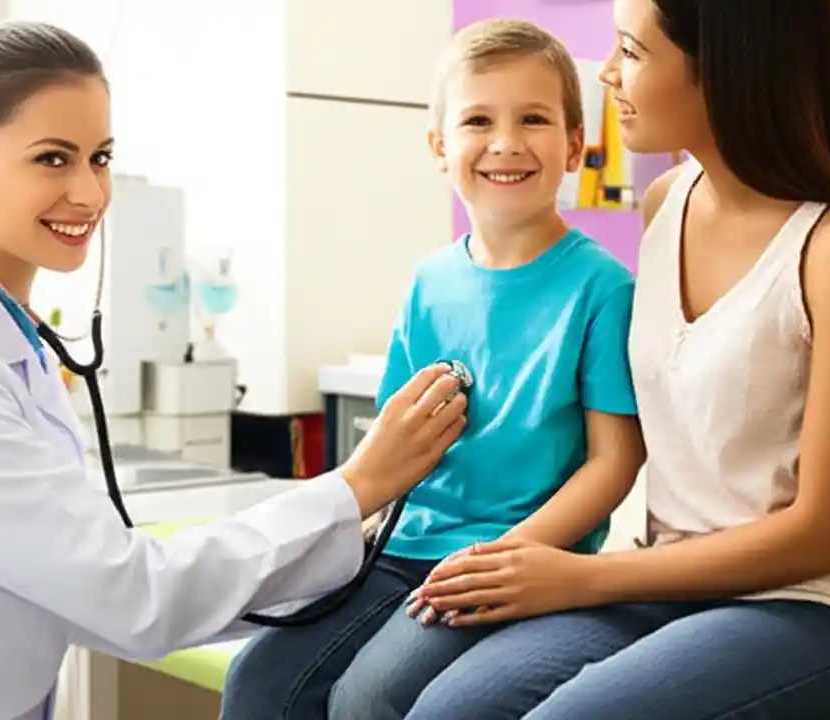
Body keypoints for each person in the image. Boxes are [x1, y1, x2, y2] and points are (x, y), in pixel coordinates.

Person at [0, 21, 467, 720]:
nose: (90, 194)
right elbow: (130, 599)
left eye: (99, 158)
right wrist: (357, 486)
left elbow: (86, 586)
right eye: (51, 159)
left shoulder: (1, 343)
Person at [400, 1, 830, 718]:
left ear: (723, 69)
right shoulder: (666, 202)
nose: (610, 73)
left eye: (632, 50)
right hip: (667, 584)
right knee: (445, 712)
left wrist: (578, 577)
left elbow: (825, 535)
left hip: (819, 605)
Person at [221, 18, 646, 720]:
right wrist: (336, 534)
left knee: (370, 698)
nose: (506, 142)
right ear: (438, 146)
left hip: (509, 560)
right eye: (478, 119)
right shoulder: (429, 283)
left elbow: (615, 462)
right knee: (259, 683)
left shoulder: (602, 289)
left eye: (533, 119)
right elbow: (389, 449)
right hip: (396, 552)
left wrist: (510, 556)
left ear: (575, 144)